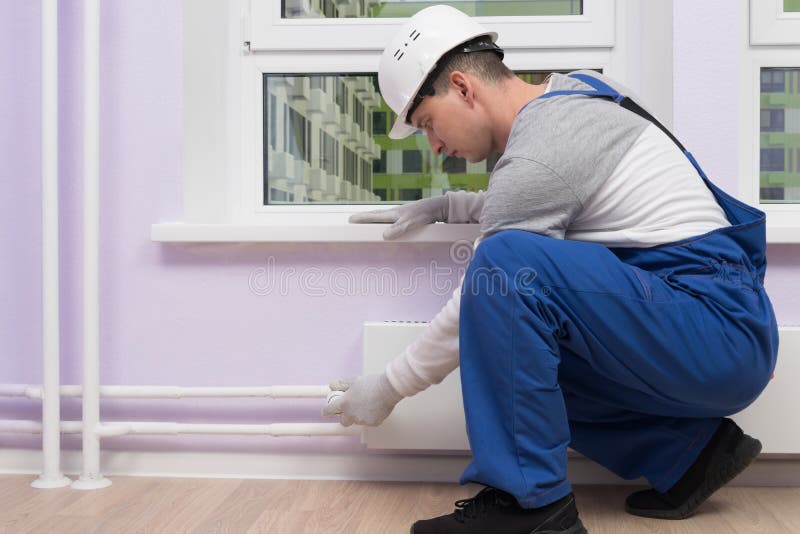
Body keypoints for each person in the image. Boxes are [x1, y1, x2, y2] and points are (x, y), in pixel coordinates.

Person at [322, 5, 779, 533]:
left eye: (428, 124)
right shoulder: (573, 93)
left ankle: (530, 506)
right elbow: (564, 191)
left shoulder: (542, 148)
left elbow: (491, 277)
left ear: (463, 87)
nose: (436, 146)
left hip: (716, 330)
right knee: (519, 354)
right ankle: (688, 455)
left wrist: (387, 387)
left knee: (502, 265)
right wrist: (451, 206)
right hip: (709, 322)